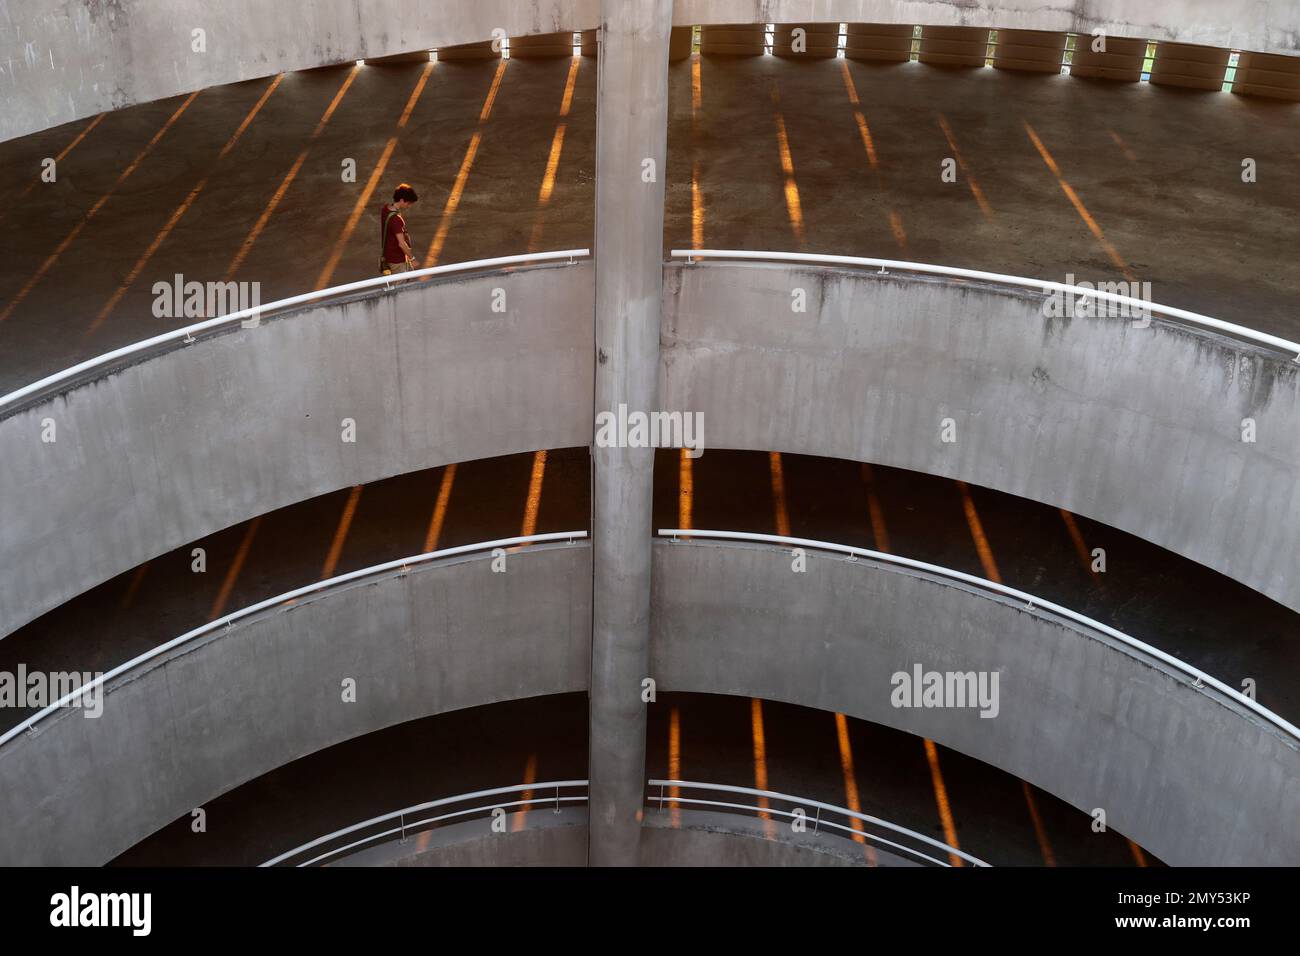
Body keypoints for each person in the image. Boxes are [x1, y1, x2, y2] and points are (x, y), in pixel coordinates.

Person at [379, 183, 419, 277]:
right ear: (401, 200)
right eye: (408, 203)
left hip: (388, 256)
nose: (409, 206)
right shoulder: (396, 220)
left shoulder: (385, 209)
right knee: (399, 287)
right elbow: (401, 243)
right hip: (397, 260)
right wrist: (412, 259)